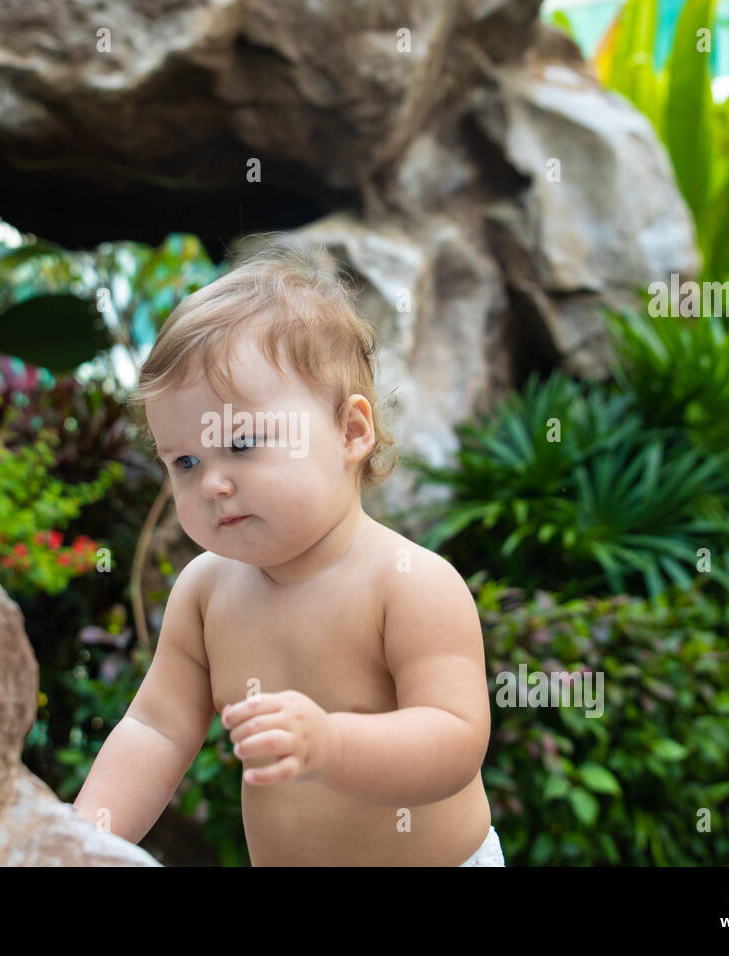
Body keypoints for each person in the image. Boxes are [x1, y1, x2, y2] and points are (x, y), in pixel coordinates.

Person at [72, 237, 501, 866]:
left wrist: (330, 743)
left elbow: (455, 743)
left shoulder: (410, 583)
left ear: (351, 431)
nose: (211, 483)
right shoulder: (205, 592)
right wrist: (84, 838)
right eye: (184, 461)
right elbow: (155, 731)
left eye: (242, 445)